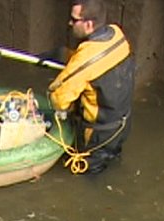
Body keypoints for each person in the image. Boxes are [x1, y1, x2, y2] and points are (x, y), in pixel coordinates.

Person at [49, 0, 135, 175]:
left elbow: (58, 97)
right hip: (122, 125)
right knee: (111, 164)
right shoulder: (117, 34)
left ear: (88, 25)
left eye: (74, 20)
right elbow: (99, 64)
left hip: (98, 136)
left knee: (87, 175)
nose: (69, 23)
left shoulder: (86, 59)